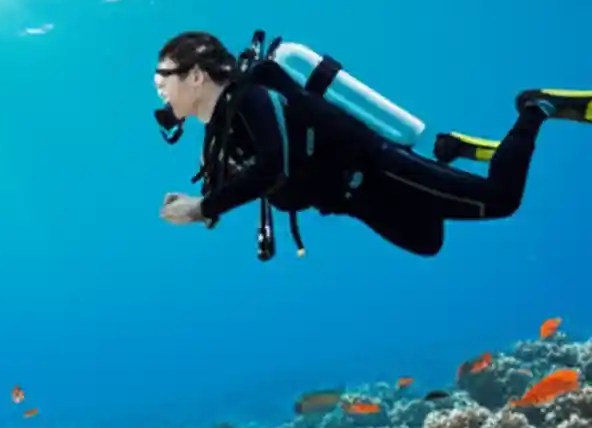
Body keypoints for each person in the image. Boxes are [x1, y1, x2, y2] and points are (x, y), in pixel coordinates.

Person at [153, 30, 591, 257]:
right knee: (427, 241)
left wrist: (202, 208)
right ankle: (454, 150)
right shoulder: (219, 132)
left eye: (164, 76)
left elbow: (271, 167)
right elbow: (242, 183)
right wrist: (202, 206)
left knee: (501, 200)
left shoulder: (251, 96)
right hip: (357, 199)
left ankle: (536, 108)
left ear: (196, 76)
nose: (158, 87)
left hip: (377, 168)